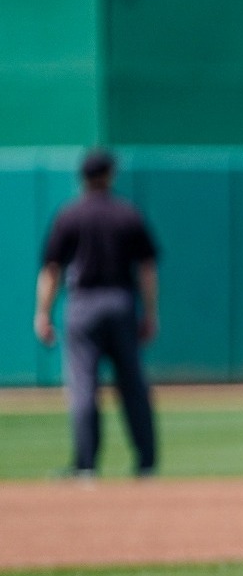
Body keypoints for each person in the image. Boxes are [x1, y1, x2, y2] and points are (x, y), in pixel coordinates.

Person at [33, 149, 162, 479]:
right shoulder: (127, 213)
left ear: (83, 177)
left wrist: (43, 313)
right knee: (132, 384)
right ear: (110, 174)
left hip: (83, 305)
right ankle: (146, 463)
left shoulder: (69, 215)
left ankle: (86, 466)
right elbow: (147, 269)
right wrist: (149, 313)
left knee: (82, 385)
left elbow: (52, 269)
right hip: (120, 302)